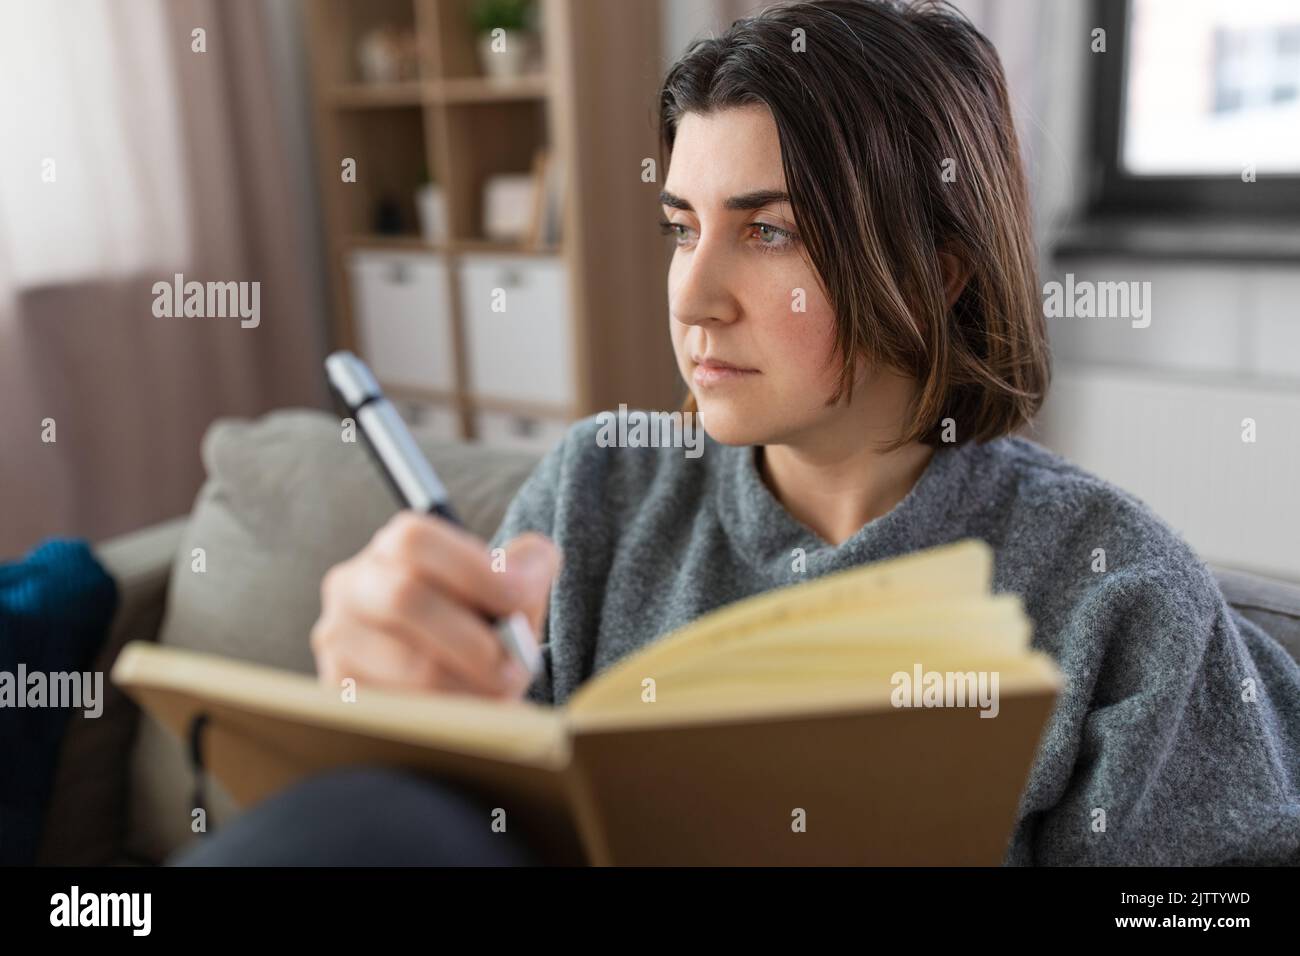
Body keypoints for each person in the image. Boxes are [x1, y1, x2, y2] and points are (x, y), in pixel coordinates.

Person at [175, 0, 1300, 867]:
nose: (692, 294)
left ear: (939, 266)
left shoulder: (1115, 592)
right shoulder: (593, 496)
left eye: (766, 233)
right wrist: (377, 720)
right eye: (682, 227)